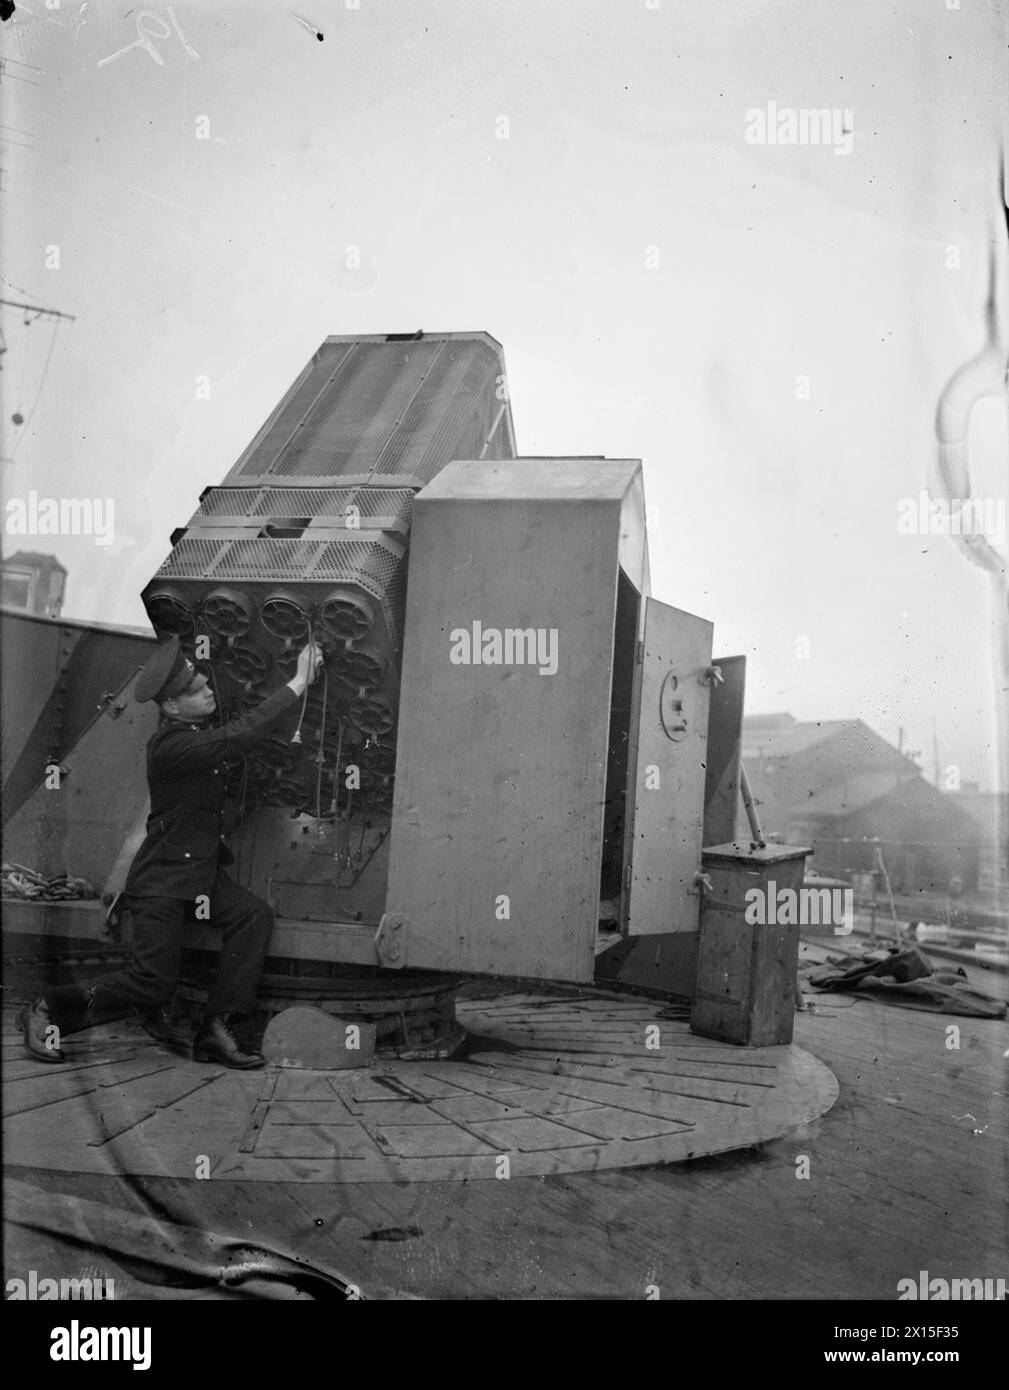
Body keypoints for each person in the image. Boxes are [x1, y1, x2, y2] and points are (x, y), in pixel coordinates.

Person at [17, 635, 322, 1069]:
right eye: (197, 691)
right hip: (163, 883)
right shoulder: (171, 747)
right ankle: (47, 1008)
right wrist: (298, 683)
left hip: (198, 878)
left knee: (252, 916)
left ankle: (217, 1028)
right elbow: (238, 736)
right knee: (151, 985)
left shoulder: (196, 734)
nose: (209, 691)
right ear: (172, 707)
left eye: (204, 684)